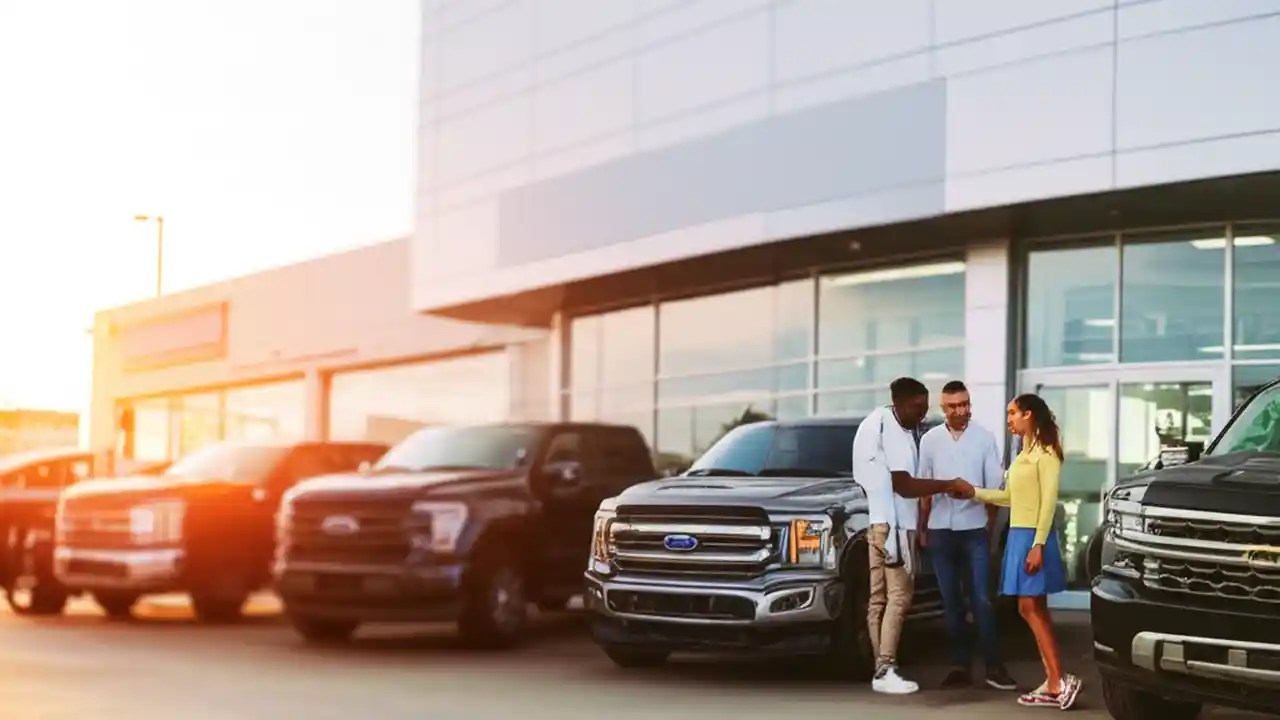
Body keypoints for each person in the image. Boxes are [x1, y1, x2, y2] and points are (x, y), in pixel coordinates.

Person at [953, 393, 1082, 710]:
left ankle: (1058, 681)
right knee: (1032, 609)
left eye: (1012, 413)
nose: (1008, 419)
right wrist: (973, 492)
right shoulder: (1023, 454)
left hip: (1033, 538)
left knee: (1030, 608)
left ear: (1028, 415)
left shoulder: (1046, 453)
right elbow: (1009, 497)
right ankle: (1054, 680)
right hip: (1019, 535)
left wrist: (1038, 545)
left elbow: (1048, 503)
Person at [852, 377, 968, 695]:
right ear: (900, 402)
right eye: (917, 407)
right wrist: (948, 484)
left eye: (925, 408)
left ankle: (879, 667)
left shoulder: (874, 422)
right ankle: (886, 668)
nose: (922, 414)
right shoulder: (893, 432)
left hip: (876, 523)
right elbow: (904, 485)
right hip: (895, 526)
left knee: (877, 599)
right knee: (899, 597)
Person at [918, 381, 1016, 691]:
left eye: (965, 404)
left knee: (982, 600)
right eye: (954, 406)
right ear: (943, 409)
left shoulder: (984, 438)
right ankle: (959, 666)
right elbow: (924, 489)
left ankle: (994, 667)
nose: (961, 410)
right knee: (951, 602)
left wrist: (988, 528)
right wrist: (922, 529)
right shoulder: (930, 440)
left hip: (974, 529)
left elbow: (994, 489)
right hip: (940, 531)